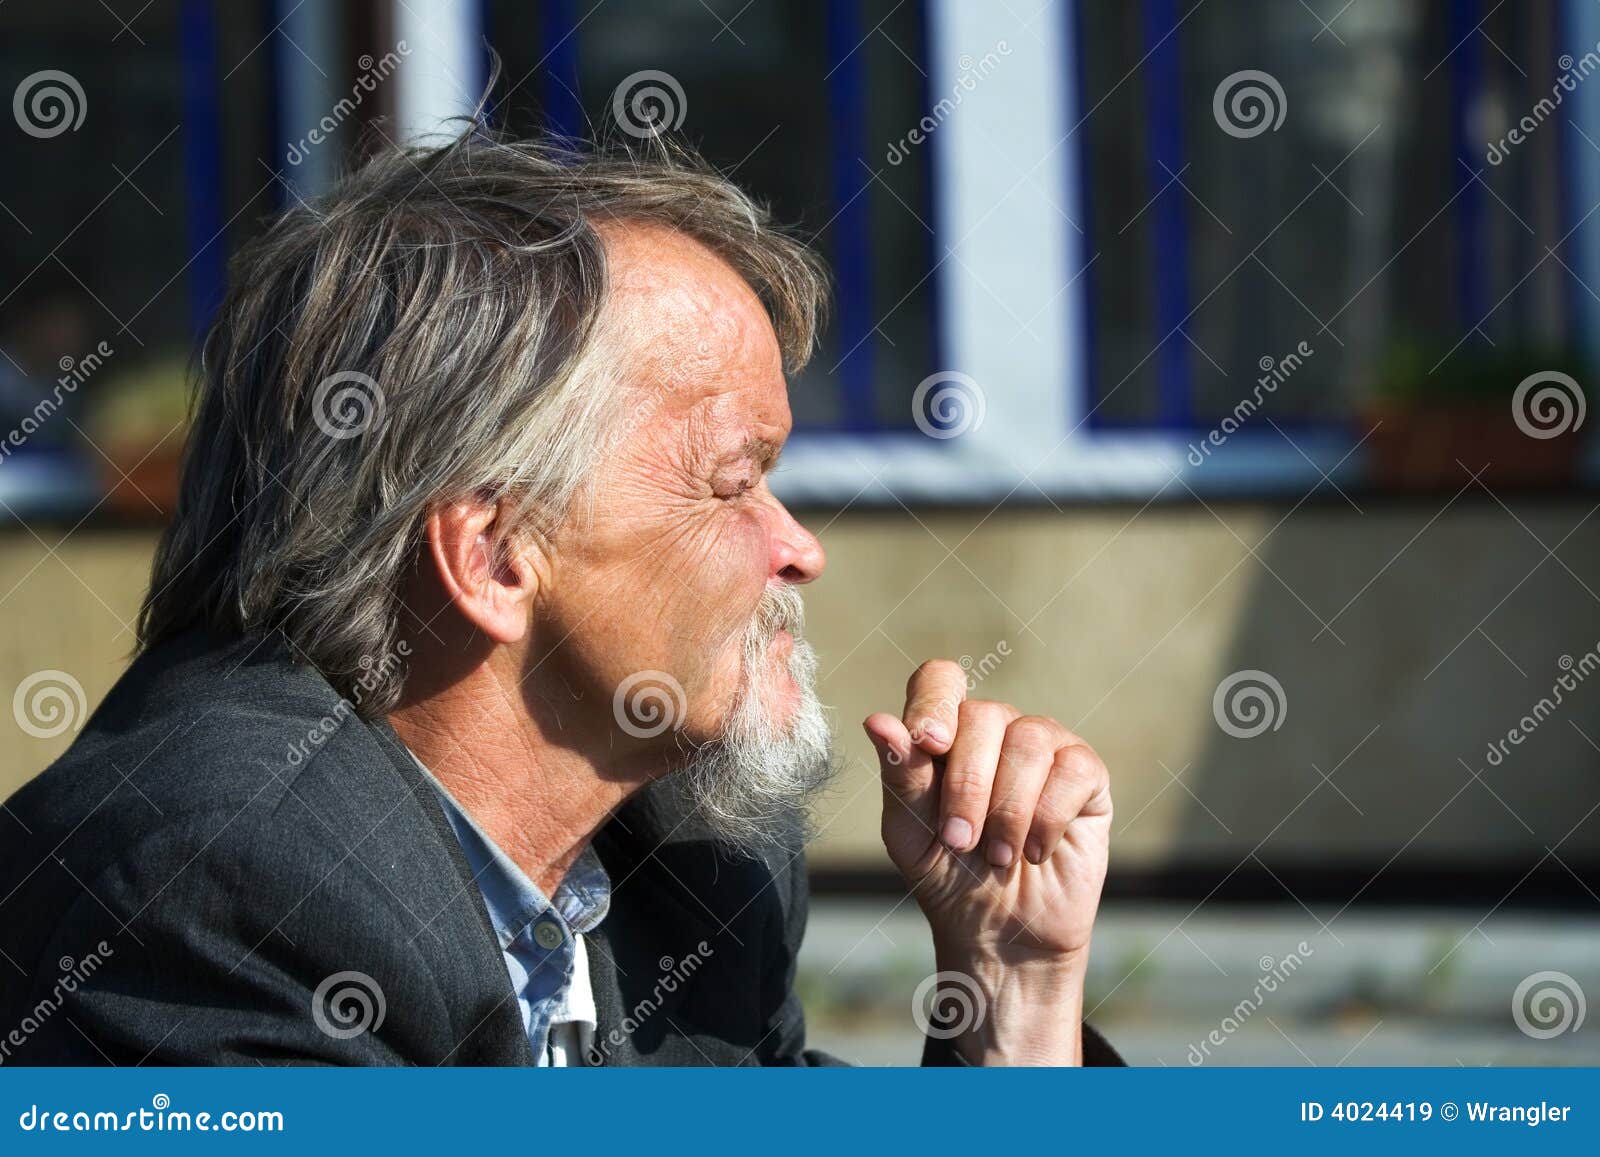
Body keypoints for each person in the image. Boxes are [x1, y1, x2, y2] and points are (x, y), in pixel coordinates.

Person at [0, 132, 1118, 1067]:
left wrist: (1009, 980)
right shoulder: (223, 883)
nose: (798, 549)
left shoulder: (683, 869)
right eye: (735, 481)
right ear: (491, 556)